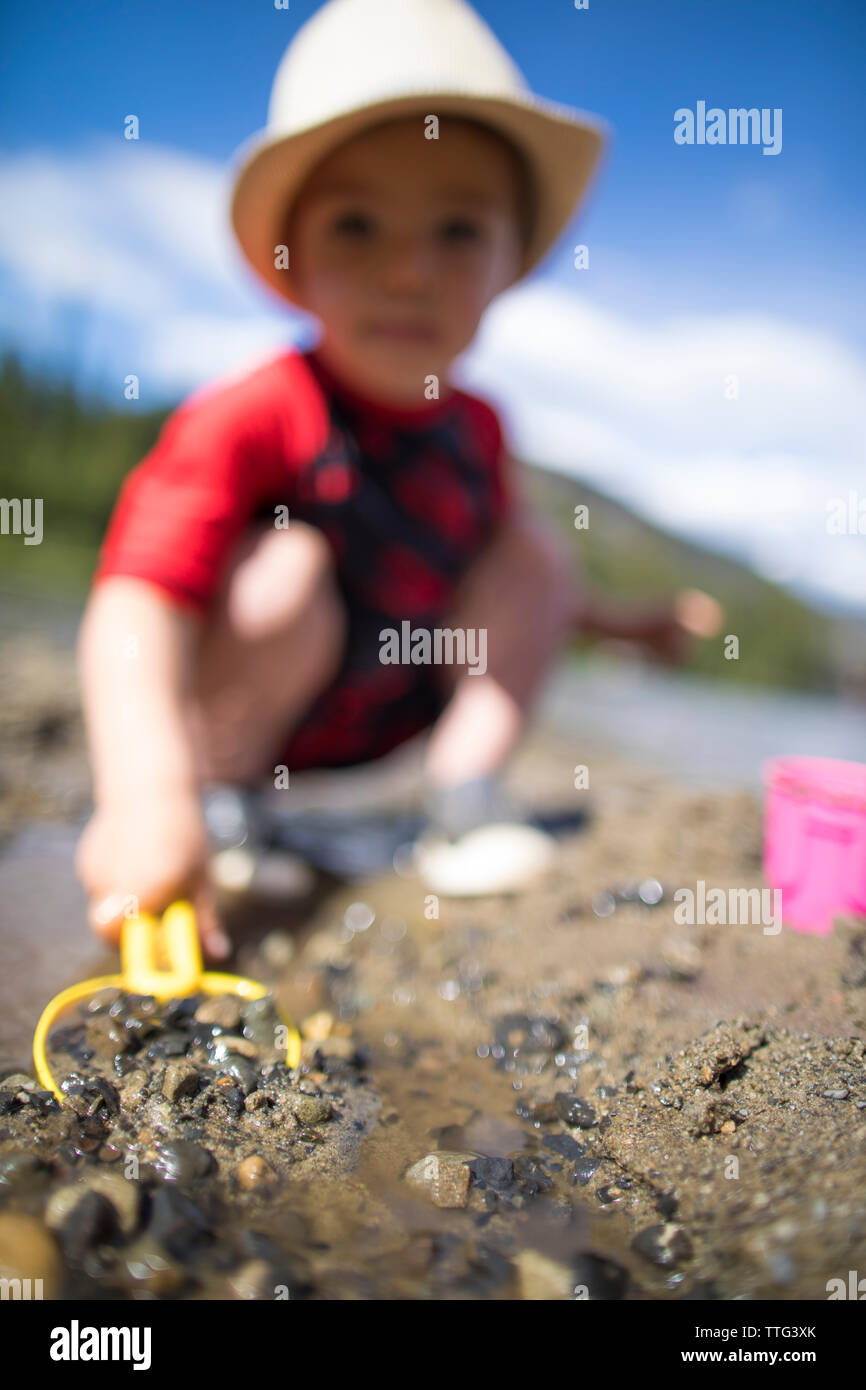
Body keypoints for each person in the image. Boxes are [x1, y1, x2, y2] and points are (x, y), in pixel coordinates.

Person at [76, 0, 719, 955]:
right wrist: (143, 793)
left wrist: (628, 626)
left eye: (458, 230)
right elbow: (137, 599)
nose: (411, 271)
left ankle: (463, 796)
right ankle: (218, 809)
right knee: (285, 564)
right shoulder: (256, 410)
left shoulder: (483, 431)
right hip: (247, 720)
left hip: (392, 710)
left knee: (533, 547)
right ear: (291, 260)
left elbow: (521, 596)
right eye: (357, 225)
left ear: (511, 262)